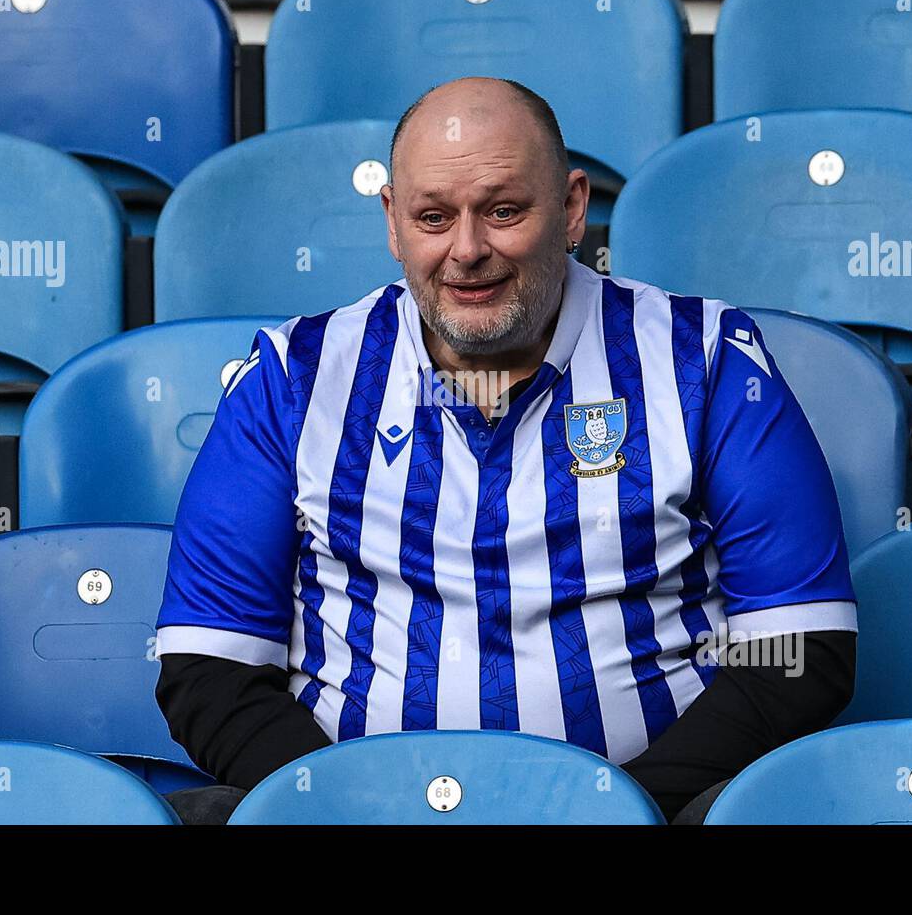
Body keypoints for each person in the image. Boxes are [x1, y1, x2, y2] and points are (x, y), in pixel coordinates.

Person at [156, 77, 856, 824]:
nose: (467, 250)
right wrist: (349, 809)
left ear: (572, 208)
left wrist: (612, 812)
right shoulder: (294, 377)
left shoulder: (707, 362)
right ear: (394, 222)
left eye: (503, 211)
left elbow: (799, 651)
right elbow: (210, 669)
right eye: (433, 217)